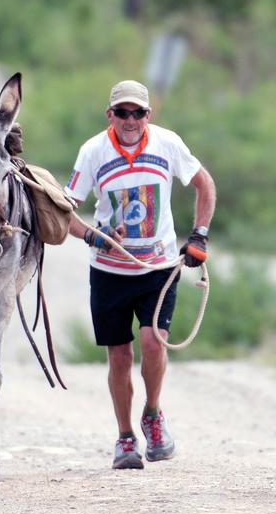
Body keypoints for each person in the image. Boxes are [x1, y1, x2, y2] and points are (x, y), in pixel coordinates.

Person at [65, 80, 216, 470]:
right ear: (109, 115)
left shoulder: (167, 144)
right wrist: (95, 238)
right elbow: (64, 213)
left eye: (138, 113)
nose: (130, 120)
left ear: (149, 115)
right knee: (118, 358)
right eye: (122, 113)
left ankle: (153, 414)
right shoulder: (93, 151)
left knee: (153, 343)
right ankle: (125, 438)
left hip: (158, 268)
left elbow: (204, 184)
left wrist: (199, 235)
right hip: (109, 272)